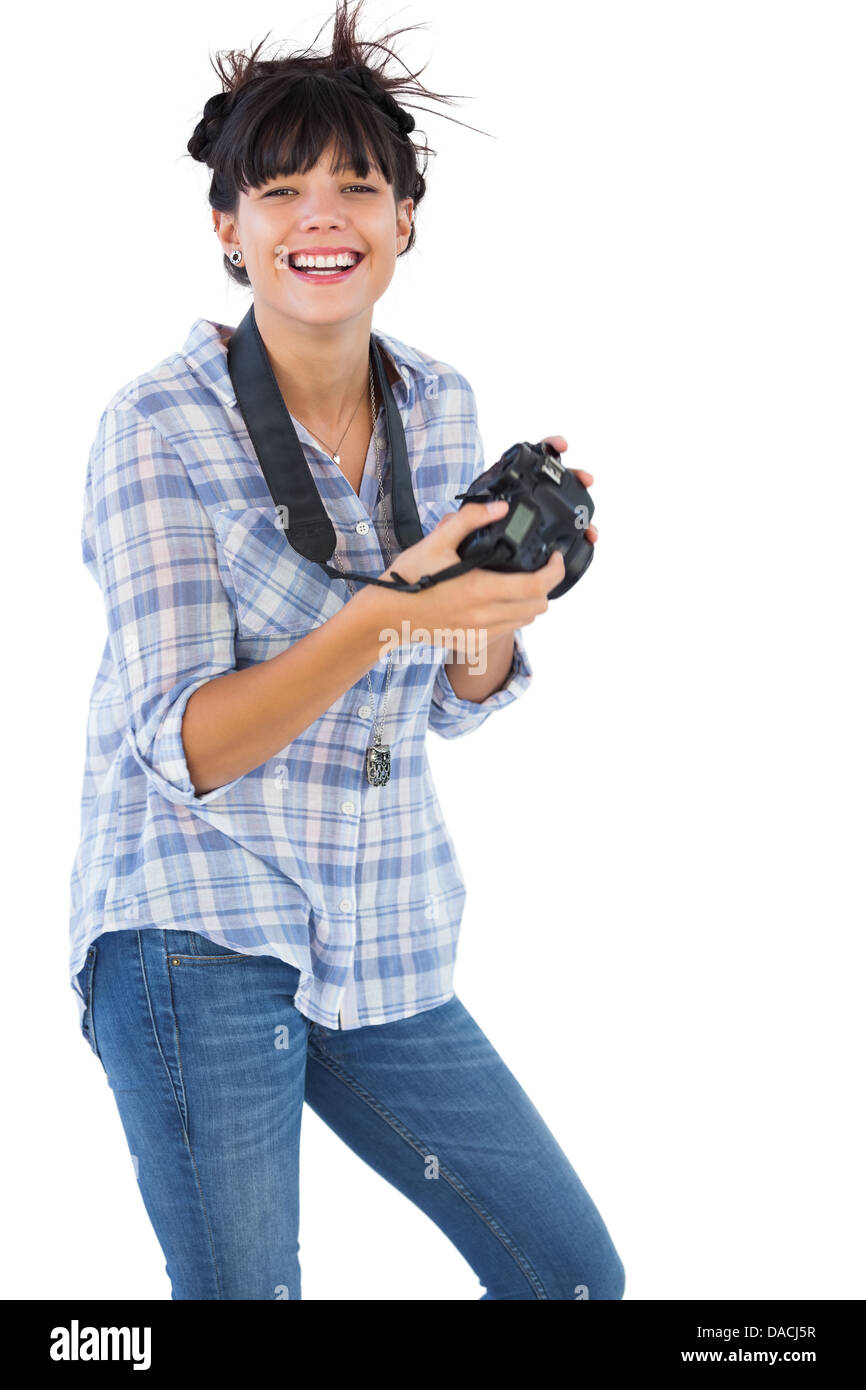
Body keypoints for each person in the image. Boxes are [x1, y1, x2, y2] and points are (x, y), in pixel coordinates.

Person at [70, 0, 622, 1300]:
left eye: (356, 188)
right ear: (228, 229)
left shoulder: (438, 401)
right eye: (281, 191)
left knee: (573, 1279)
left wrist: (500, 608)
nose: (322, 217)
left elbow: (445, 694)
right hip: (191, 916)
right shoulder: (153, 426)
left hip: (380, 918)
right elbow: (189, 744)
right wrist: (385, 608)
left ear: (404, 220)